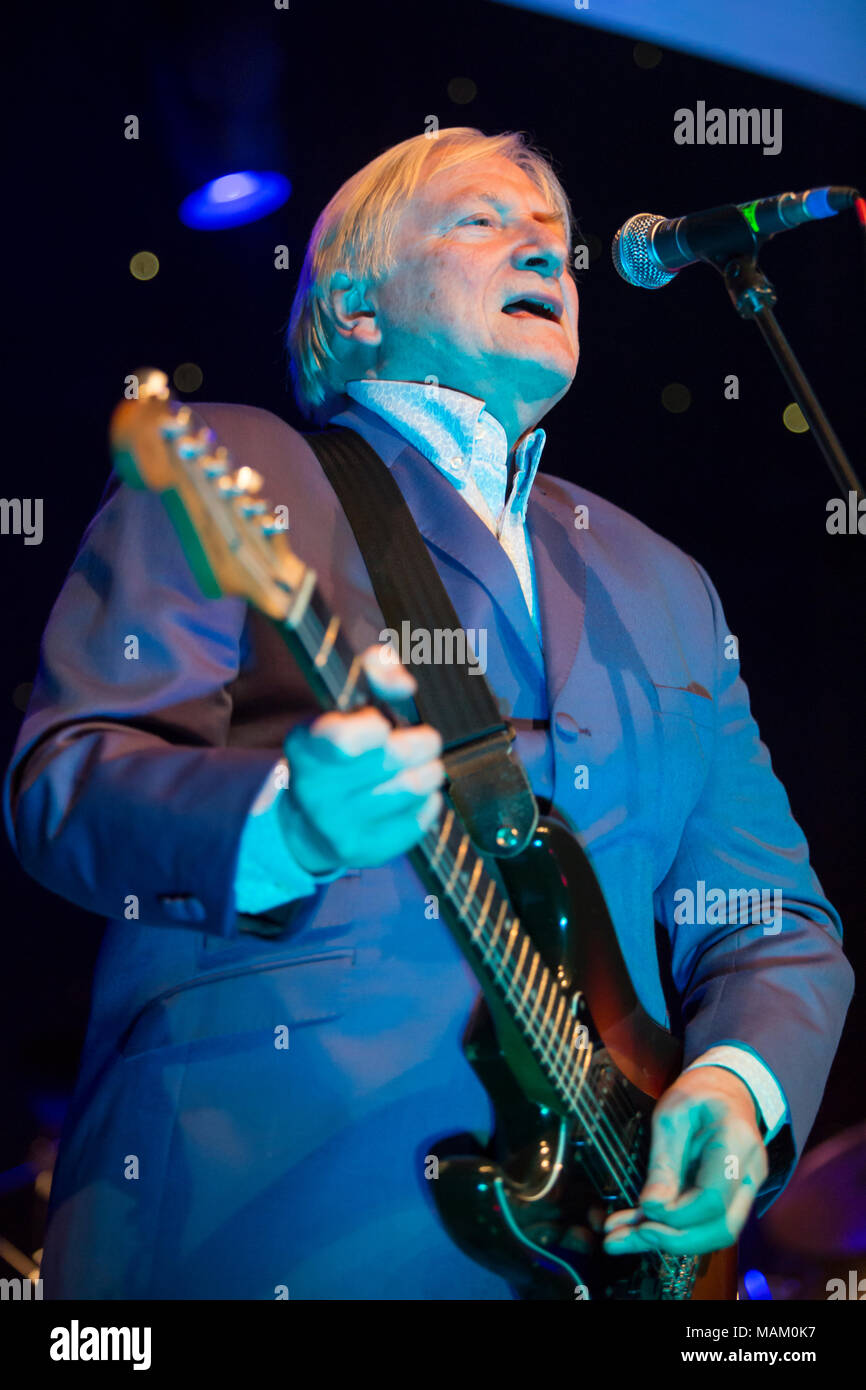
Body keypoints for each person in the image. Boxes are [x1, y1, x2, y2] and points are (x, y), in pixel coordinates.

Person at [4, 127, 854, 1299]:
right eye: (481, 221)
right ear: (356, 308)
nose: (544, 251)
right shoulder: (245, 468)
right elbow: (65, 780)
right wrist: (281, 826)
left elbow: (770, 913)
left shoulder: (662, 581)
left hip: (611, 1239)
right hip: (267, 1213)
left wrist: (740, 1085)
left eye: (554, 238)